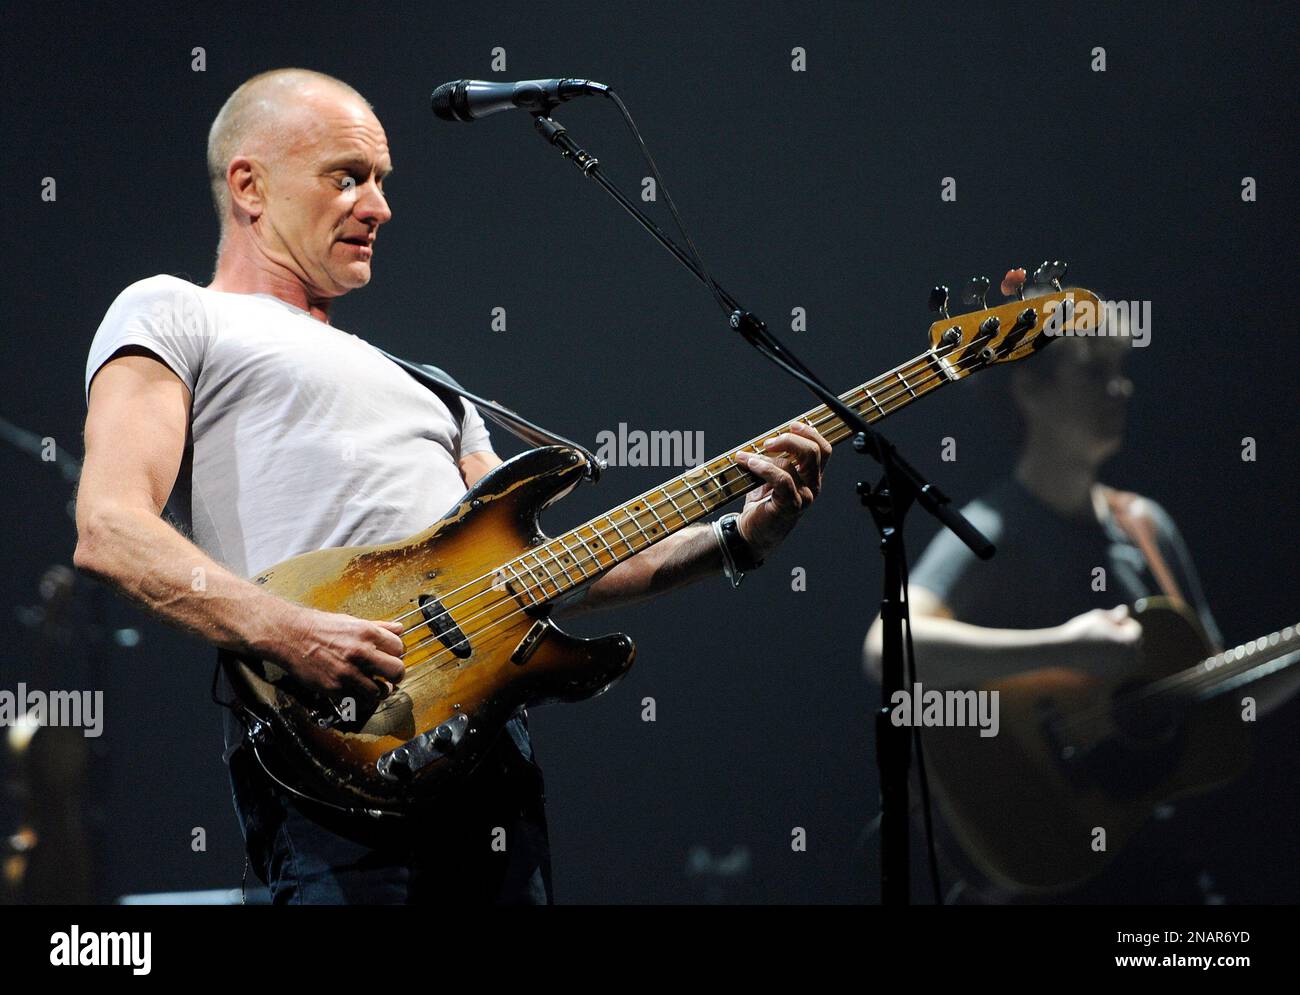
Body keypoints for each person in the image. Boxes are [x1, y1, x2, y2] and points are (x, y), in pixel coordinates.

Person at [73, 68, 832, 905]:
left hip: (491, 770)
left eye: (382, 182)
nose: (378, 206)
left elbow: (537, 576)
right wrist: (292, 631)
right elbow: (111, 526)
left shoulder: (433, 386)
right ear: (249, 184)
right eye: (348, 176)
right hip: (335, 763)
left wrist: (732, 539)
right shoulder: (174, 311)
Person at [863, 301, 1297, 903]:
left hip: (1156, 863)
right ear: (1029, 391)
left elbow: (1218, 695)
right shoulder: (990, 529)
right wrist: (1069, 647)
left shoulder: (1146, 526)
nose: (1120, 388)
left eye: (1121, 371)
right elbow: (888, 647)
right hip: (1044, 859)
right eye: (1094, 372)